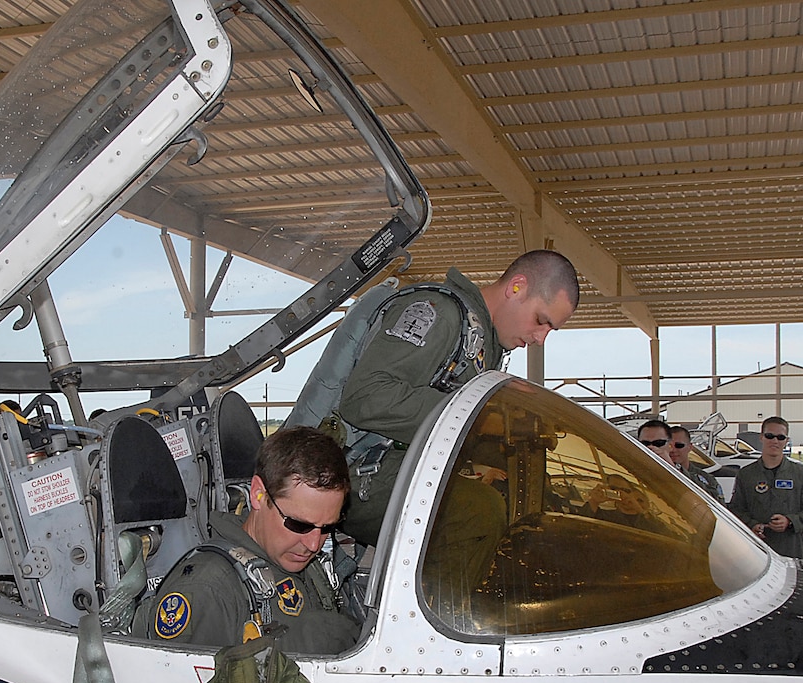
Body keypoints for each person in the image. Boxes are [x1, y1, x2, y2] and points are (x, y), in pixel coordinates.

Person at [338, 249, 580, 545]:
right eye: (541, 320)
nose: (540, 339)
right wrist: (481, 418)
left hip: (405, 467)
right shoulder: (438, 312)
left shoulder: (482, 343)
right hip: (358, 473)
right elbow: (364, 398)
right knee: (477, 512)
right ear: (517, 287)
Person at [135, 426, 359, 653]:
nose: (313, 544)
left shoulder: (307, 565)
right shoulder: (208, 589)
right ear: (258, 495)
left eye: (327, 528)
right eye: (299, 524)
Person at [727, 416, 803, 558]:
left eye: (780, 437)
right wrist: (752, 525)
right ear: (762, 438)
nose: (775, 441)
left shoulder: (800, 473)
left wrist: (790, 521)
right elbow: (736, 509)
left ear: (786, 441)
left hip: (790, 549)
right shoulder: (746, 474)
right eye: (770, 436)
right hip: (756, 550)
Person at [584, 474, 671, 535]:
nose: (620, 493)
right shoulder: (604, 515)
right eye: (614, 489)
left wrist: (640, 510)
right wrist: (594, 501)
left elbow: (668, 536)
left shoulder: (649, 521)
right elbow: (581, 527)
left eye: (626, 491)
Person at [668, 425, 724, 502]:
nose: (673, 450)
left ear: (690, 447)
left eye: (679, 445)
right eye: (669, 446)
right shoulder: (656, 476)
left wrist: (682, 473)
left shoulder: (706, 479)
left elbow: (718, 504)